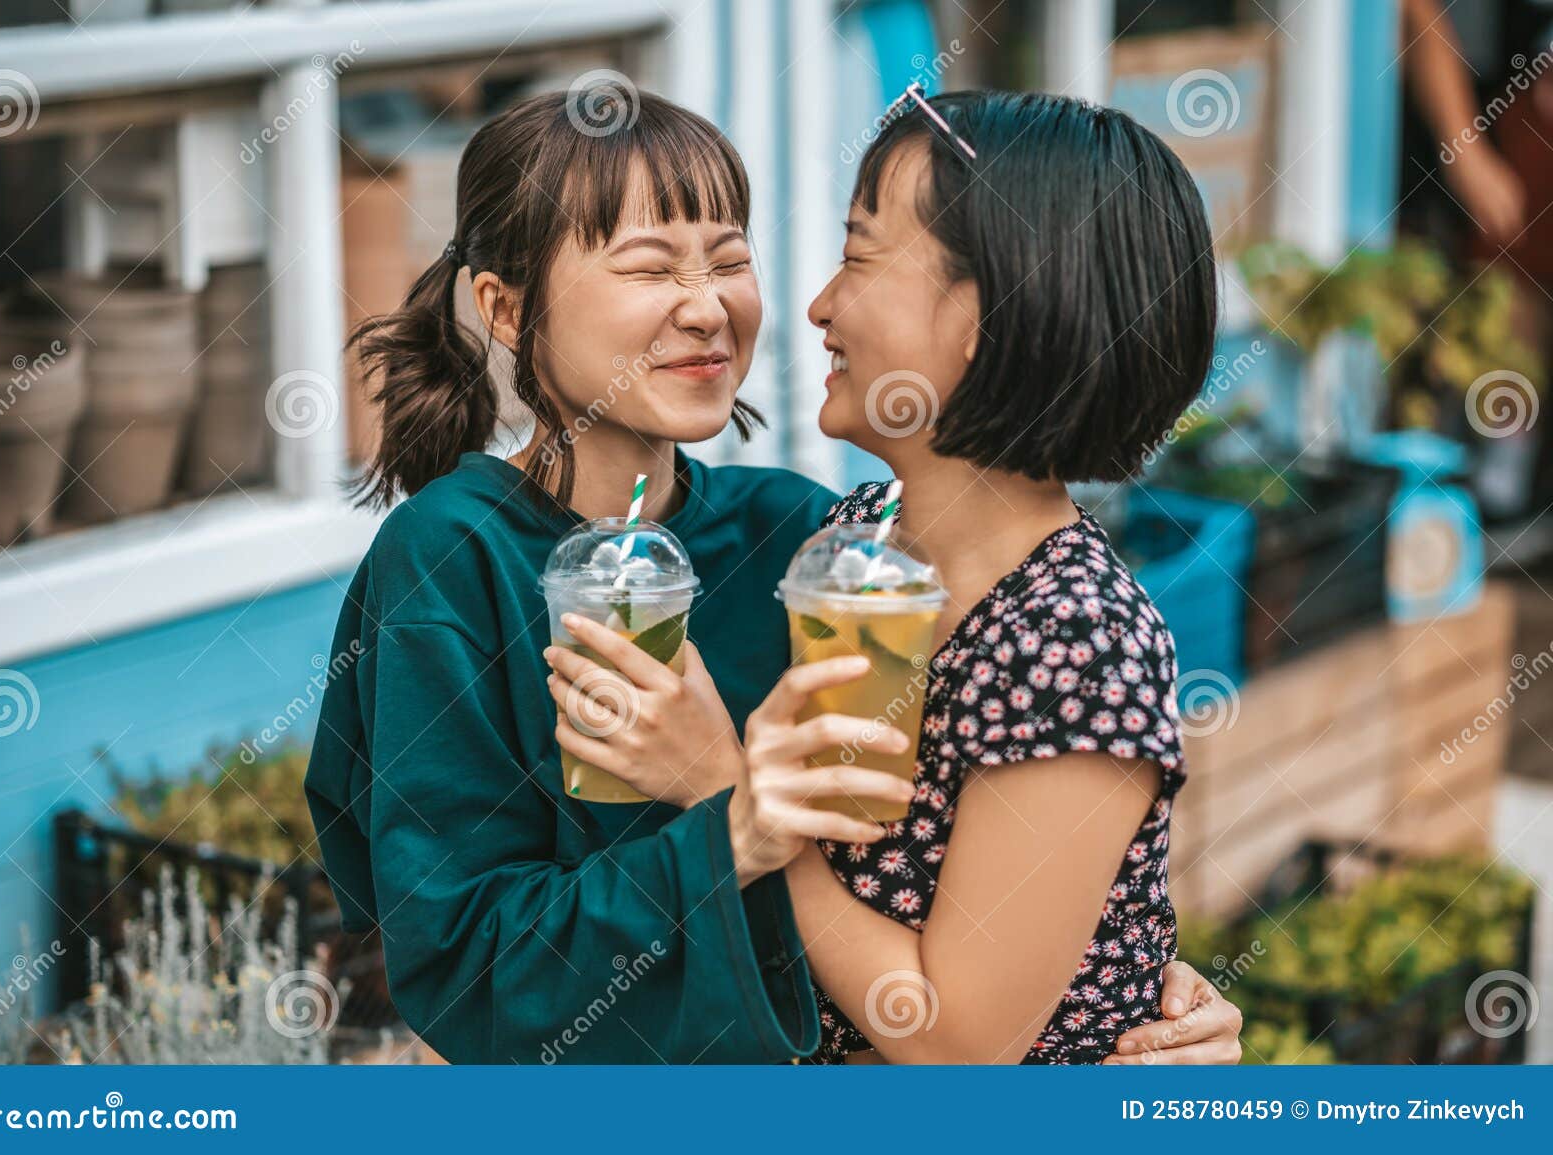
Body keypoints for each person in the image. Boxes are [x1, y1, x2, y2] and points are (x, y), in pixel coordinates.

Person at [305, 85, 1242, 1064]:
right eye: (647, 266)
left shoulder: (803, 537)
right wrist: (732, 821)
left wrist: (1122, 987)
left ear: (991, 310)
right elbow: (453, 952)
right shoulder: (453, 559)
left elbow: (960, 928)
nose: (710, 307)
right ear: (503, 305)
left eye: (731, 260)